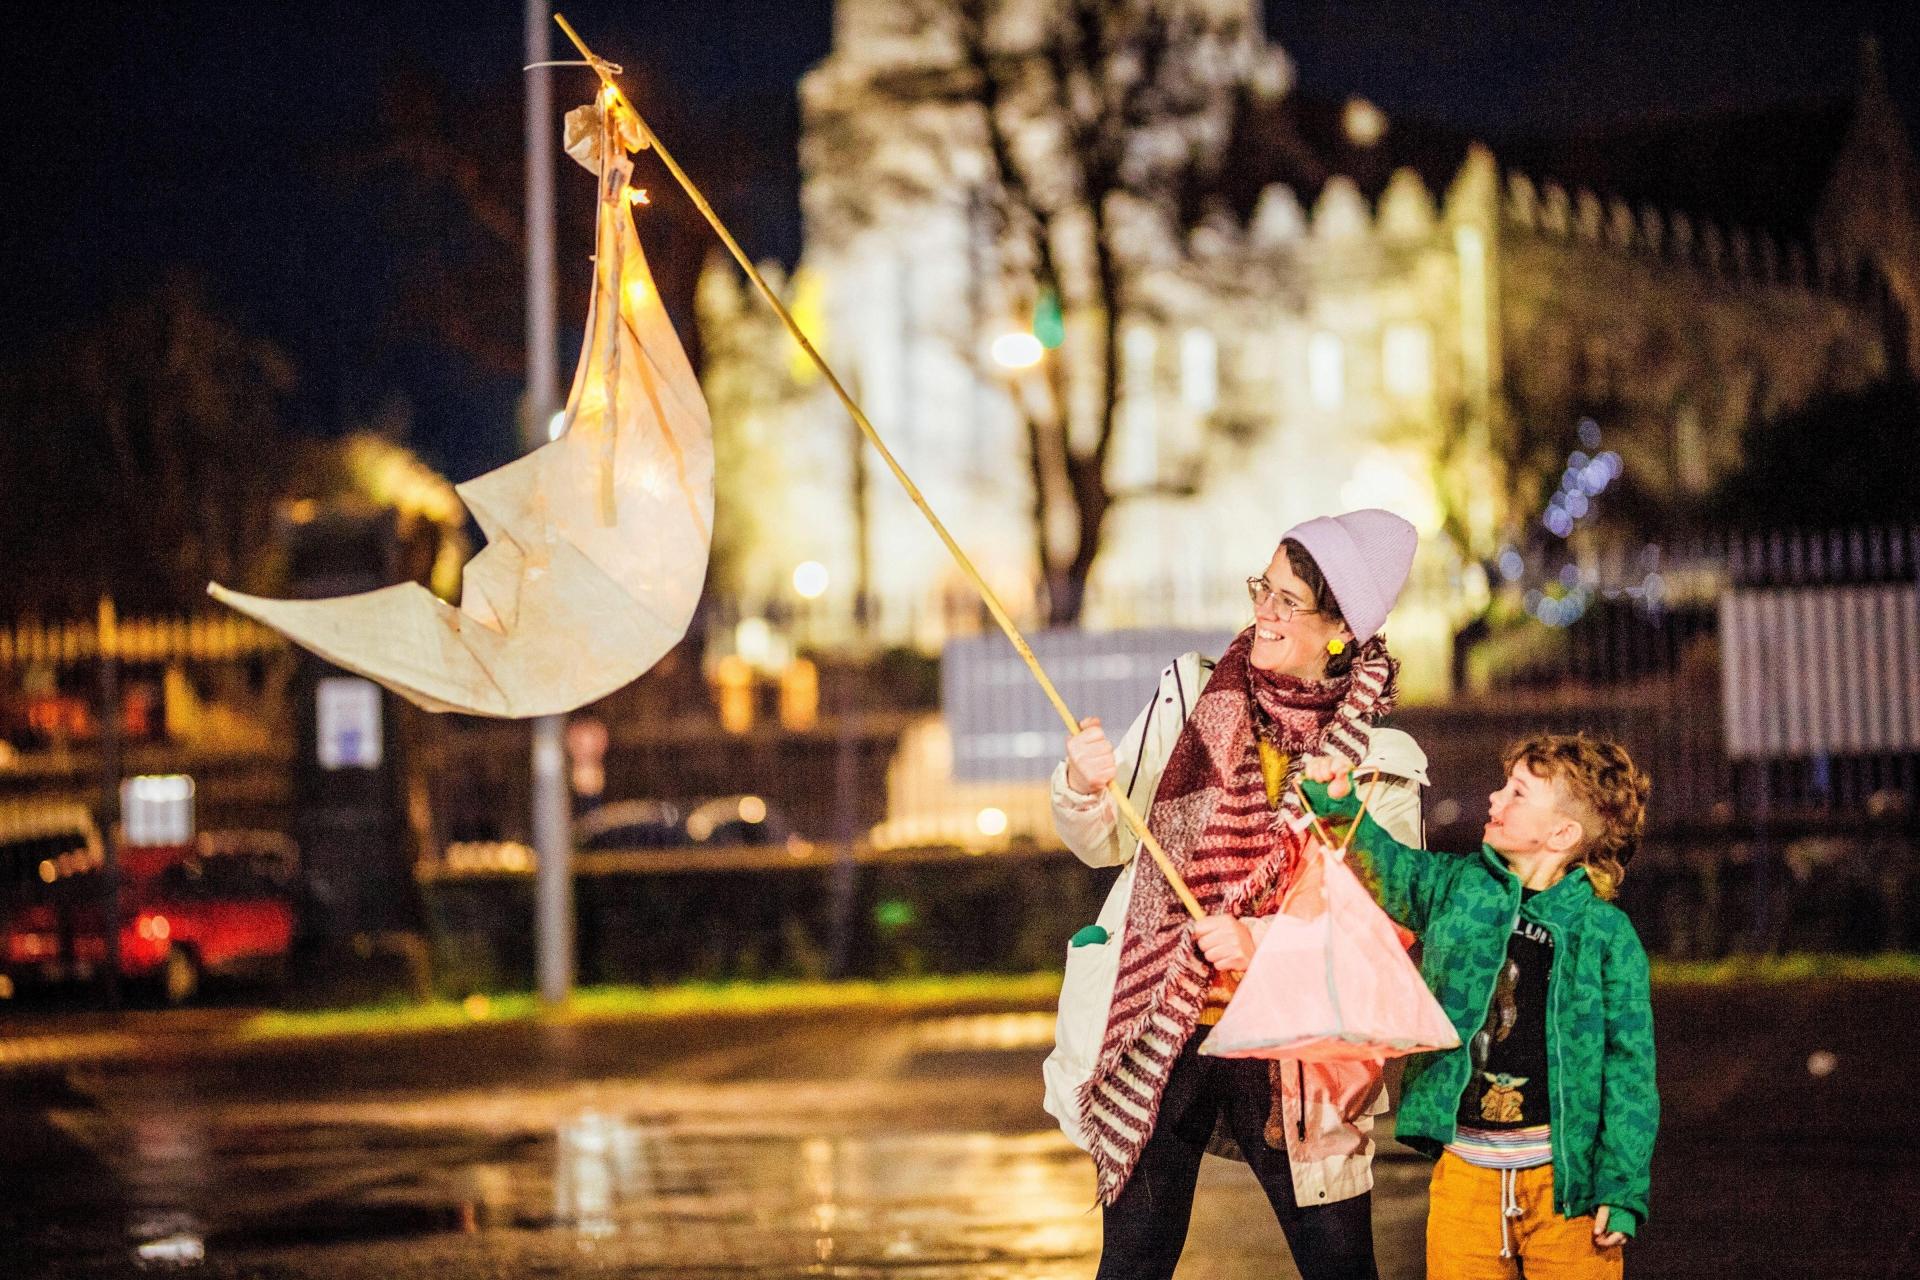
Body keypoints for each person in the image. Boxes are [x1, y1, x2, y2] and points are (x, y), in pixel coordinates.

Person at [1047, 509, 1426, 1280]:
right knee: (1132, 1262)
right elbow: (1106, 841)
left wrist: (1259, 945)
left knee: (1339, 1264)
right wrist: (1084, 787)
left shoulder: (1380, 764)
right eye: (1265, 587)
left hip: (1293, 1049)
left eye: (1290, 601)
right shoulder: (1193, 694)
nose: (1264, 610)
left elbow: (1386, 928)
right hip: (1162, 1020)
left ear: (1341, 633)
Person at [1301, 733, 1658, 1279]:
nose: (1495, 799)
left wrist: (1622, 1189)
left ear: (1563, 833)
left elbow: (1630, 1071)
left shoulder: (1605, 933)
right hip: (1466, 1173)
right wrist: (1339, 804)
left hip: (1567, 1189)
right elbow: (1388, 868)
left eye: (1517, 793)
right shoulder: (1457, 887)